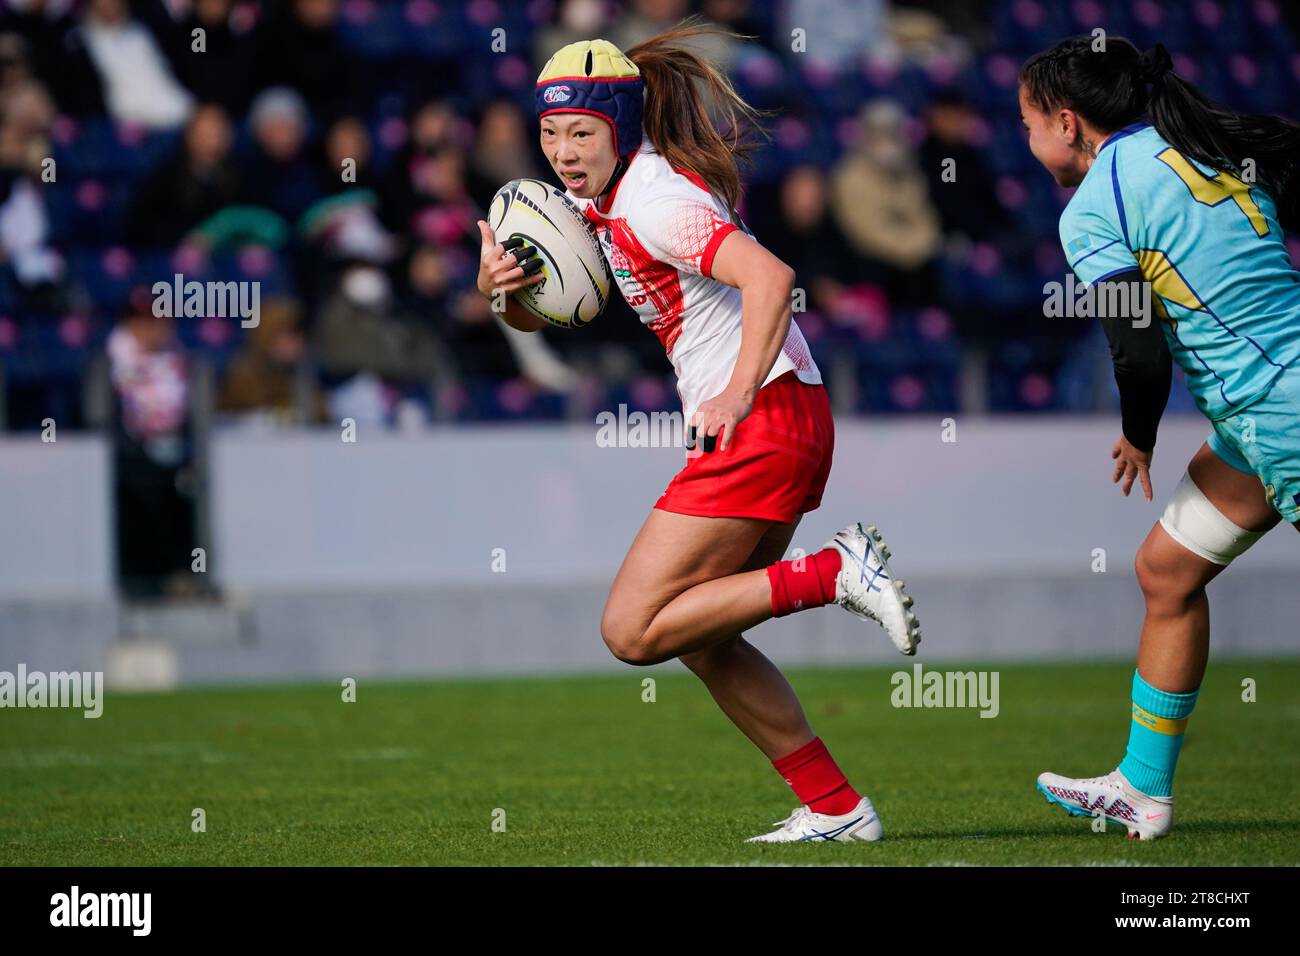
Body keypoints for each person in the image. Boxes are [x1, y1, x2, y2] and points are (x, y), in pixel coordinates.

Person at [475, 26, 921, 844]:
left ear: (619, 128)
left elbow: (773, 278)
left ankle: (832, 573)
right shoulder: (594, 198)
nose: (564, 151)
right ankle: (835, 807)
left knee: (632, 628)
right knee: (704, 640)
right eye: (549, 133)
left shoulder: (655, 199)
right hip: (782, 418)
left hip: (763, 417)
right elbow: (546, 312)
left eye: (581, 132)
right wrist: (500, 292)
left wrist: (736, 392)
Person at [1019, 36, 1300, 839]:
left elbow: (1136, 346)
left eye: (1029, 122)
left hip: (1278, 411)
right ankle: (1142, 786)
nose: (1028, 142)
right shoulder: (1202, 146)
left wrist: (1136, 436)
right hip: (1260, 415)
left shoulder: (1096, 203)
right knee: (1166, 571)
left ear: (1067, 124)